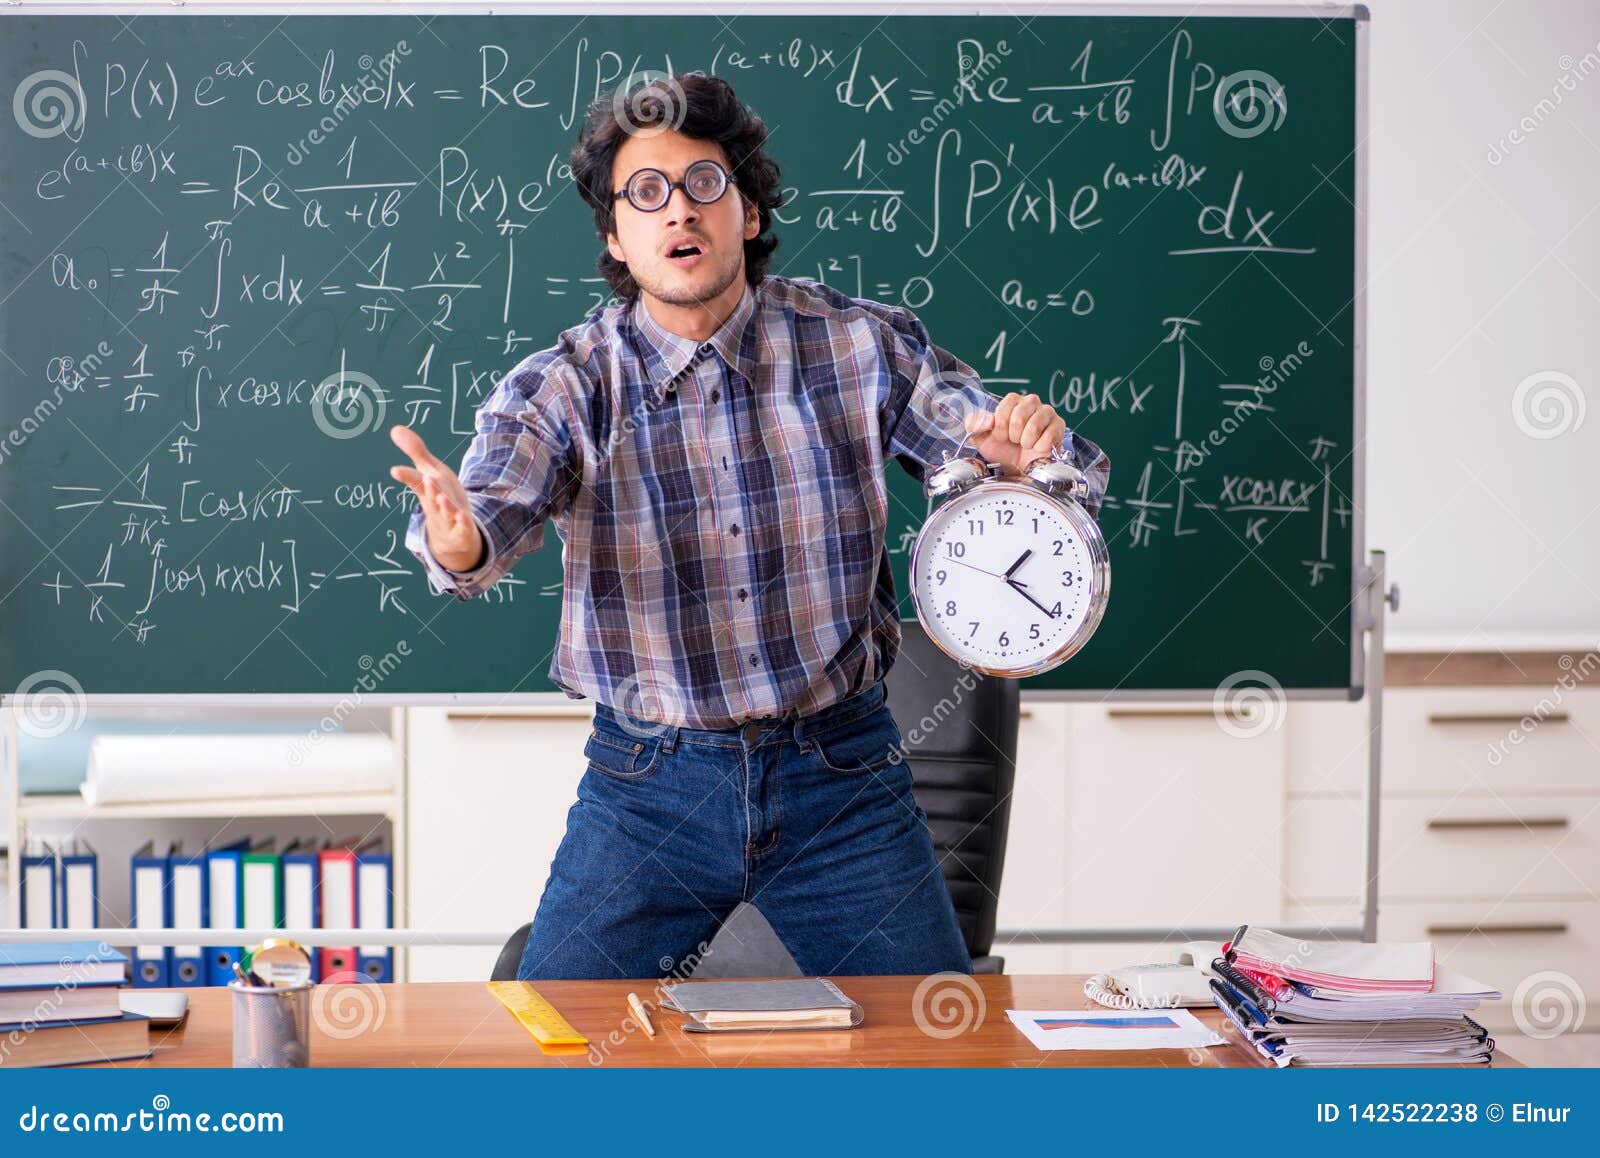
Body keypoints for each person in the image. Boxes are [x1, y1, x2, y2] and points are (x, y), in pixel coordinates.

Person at [389, 73, 1108, 980]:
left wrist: (1024, 461)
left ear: (750, 213)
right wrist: (460, 539)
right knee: (554, 1045)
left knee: (940, 1053)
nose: (677, 212)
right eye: (645, 195)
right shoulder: (563, 386)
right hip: (647, 789)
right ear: (616, 236)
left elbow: (985, 449)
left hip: (843, 780)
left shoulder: (857, 345)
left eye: (704, 185)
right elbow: (490, 512)